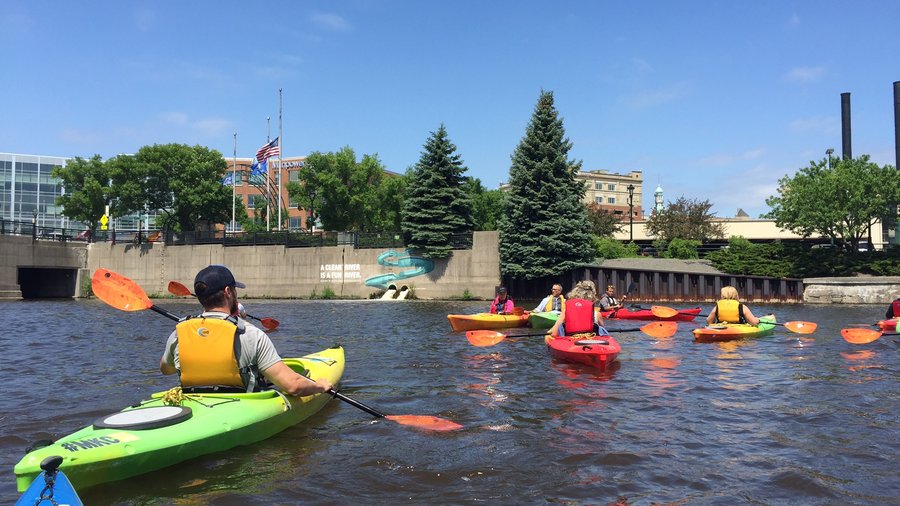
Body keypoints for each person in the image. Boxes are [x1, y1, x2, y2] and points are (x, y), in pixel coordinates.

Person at [160, 265, 332, 396]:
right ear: (228, 292)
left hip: (193, 401)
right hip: (240, 405)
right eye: (235, 290)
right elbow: (292, 385)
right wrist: (320, 386)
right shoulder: (251, 334)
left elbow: (166, 369)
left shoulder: (179, 332)